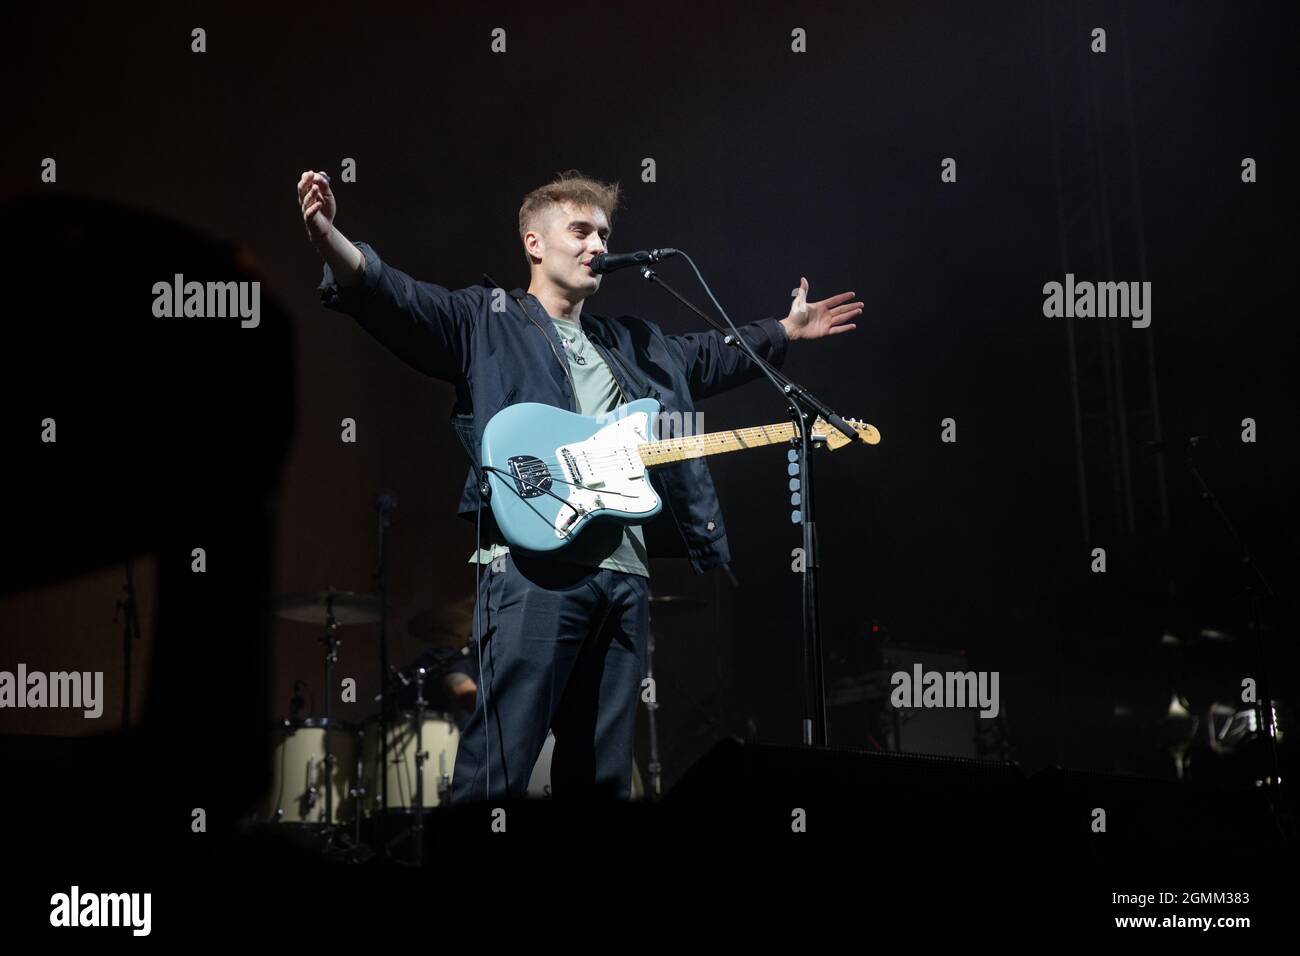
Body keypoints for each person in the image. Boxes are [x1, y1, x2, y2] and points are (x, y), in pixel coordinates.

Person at [300, 169, 861, 802]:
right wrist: (327, 238)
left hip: (625, 575)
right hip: (533, 571)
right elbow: (395, 296)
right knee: (497, 772)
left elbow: (710, 352)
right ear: (534, 243)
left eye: (604, 233)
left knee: (600, 780)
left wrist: (784, 331)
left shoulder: (631, 344)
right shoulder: (488, 321)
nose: (597, 245)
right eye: (580, 230)